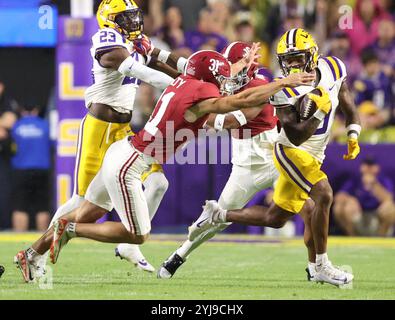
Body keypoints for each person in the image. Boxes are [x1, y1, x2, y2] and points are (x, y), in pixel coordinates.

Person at [14, 47, 314, 282]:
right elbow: (240, 100)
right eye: (220, 78)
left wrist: (237, 67)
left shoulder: (184, 82)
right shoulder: (201, 95)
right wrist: (283, 82)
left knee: (89, 210)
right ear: (209, 79)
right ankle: (69, 230)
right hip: (130, 164)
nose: (224, 83)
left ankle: (31, 254)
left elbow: (205, 74)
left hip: (123, 151)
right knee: (137, 234)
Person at [17, 0, 187, 277]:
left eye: (134, 16)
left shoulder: (136, 40)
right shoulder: (106, 38)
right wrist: (178, 86)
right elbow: (133, 68)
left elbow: (164, 58)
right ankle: (34, 254)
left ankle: (129, 244)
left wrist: (199, 74)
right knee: (81, 204)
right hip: (100, 129)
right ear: (110, 20)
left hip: (123, 130)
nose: (133, 22)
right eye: (126, 17)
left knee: (158, 182)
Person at [189, 28, 361, 286]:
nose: (292, 65)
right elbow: (295, 137)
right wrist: (317, 113)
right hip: (291, 151)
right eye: (287, 59)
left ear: (312, 56)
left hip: (316, 155)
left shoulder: (334, 67)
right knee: (323, 194)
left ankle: (220, 214)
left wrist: (352, 132)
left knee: (276, 218)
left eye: (298, 58)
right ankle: (322, 265)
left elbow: (345, 98)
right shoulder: (283, 89)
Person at [157, 41, 315, 280]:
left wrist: (197, 113)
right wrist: (155, 54)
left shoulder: (261, 86)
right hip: (244, 165)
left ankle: (316, 265)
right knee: (215, 219)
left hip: (275, 158)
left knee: (309, 208)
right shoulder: (226, 79)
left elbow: (231, 120)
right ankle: (179, 255)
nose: (227, 74)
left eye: (235, 68)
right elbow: (187, 68)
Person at [10, 105, 51, 232]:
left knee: (20, 207)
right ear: (36, 110)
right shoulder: (45, 125)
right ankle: (42, 242)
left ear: (22, 111)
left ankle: (18, 241)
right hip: (42, 170)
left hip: (21, 170)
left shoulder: (16, 126)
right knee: (42, 207)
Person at [333, 157, 395, 237]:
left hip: (377, 217)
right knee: (338, 207)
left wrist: (374, 184)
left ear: (377, 168)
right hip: (358, 216)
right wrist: (350, 200)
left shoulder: (383, 180)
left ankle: (381, 238)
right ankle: (352, 236)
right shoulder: (355, 180)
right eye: (366, 165)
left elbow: (389, 198)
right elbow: (339, 196)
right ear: (362, 167)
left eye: (372, 166)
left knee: (391, 208)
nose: (369, 168)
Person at [353, 49, 393, 129]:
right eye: (370, 64)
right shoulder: (361, 81)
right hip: (368, 110)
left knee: (377, 119)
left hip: (385, 109)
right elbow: (359, 102)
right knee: (361, 119)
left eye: (375, 63)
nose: (373, 66)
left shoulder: (385, 77)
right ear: (365, 66)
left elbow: (391, 95)